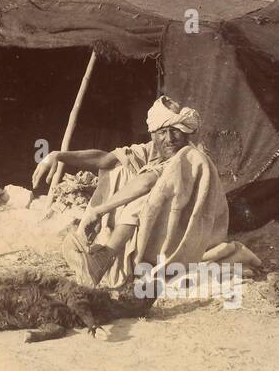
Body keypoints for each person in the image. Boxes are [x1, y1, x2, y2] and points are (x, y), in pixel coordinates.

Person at [31, 95, 229, 290]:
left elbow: (147, 182)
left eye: (176, 131)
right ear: (153, 133)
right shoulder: (153, 150)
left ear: (186, 133)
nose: (169, 139)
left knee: (146, 194)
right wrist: (57, 155)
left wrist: (99, 211)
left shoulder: (189, 156)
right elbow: (105, 159)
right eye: (163, 131)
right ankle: (99, 248)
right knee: (119, 170)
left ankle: (105, 257)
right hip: (161, 227)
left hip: (189, 233)